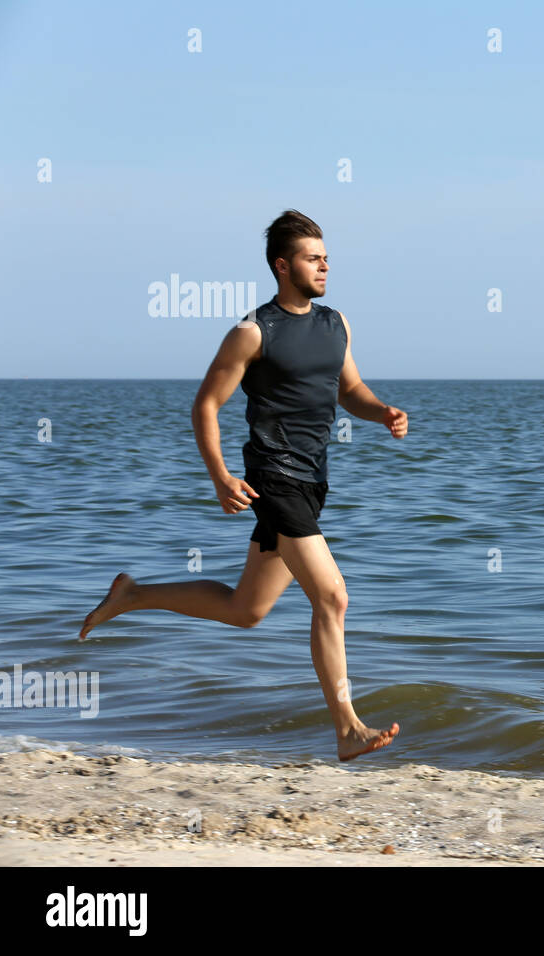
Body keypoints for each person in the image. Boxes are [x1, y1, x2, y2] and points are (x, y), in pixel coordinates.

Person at [79, 209, 407, 762]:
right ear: (283, 266)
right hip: (273, 476)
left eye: (326, 256)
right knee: (332, 596)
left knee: (246, 610)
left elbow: (349, 388)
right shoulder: (253, 333)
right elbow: (206, 404)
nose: (325, 265)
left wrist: (382, 412)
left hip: (311, 482)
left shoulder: (336, 324)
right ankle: (347, 728)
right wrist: (220, 476)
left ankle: (131, 596)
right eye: (312, 257)